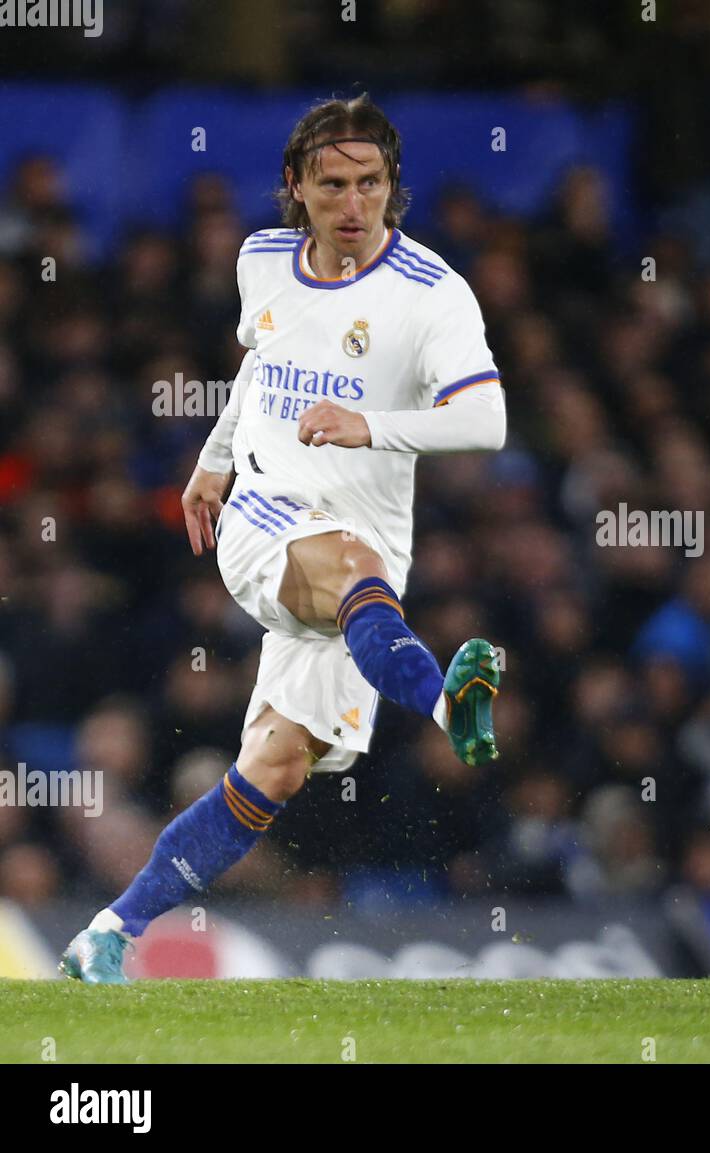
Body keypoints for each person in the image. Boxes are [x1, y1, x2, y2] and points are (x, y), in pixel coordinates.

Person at [61, 94, 507, 983]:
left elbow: (487, 418)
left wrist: (369, 426)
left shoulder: (431, 293)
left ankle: (108, 931)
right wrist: (217, 458)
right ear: (296, 188)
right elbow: (262, 368)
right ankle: (452, 707)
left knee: (276, 766)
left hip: (367, 550)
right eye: (333, 184)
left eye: (371, 183)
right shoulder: (260, 260)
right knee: (353, 569)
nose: (354, 203)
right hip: (267, 517)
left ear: (392, 187)